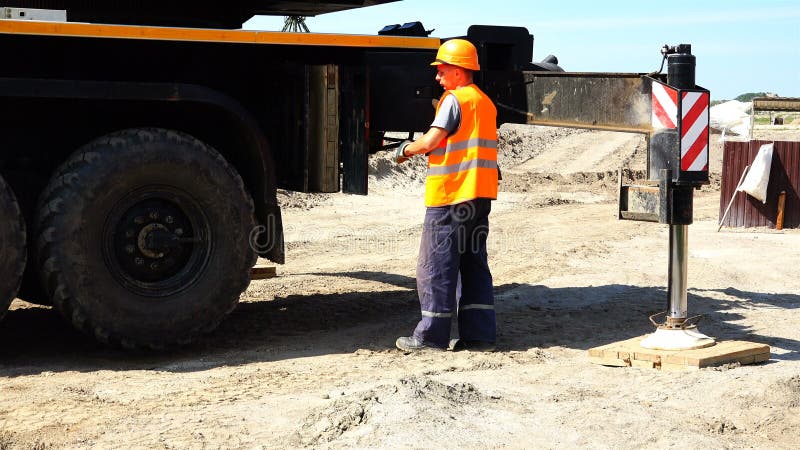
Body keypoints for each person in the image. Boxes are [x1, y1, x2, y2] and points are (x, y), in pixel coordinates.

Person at [394, 38, 498, 352]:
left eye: (442, 70)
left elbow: (431, 141)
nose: (438, 76)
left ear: (458, 70)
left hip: (451, 196)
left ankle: (430, 338)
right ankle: (479, 336)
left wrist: (404, 150)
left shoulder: (454, 100)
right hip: (479, 197)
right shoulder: (485, 102)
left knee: (435, 265)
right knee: (473, 264)